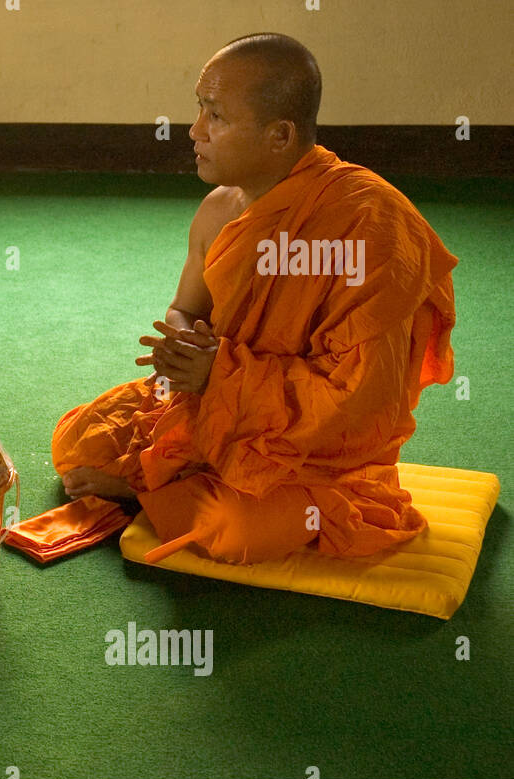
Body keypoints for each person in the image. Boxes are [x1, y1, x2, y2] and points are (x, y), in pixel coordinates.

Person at [48, 33, 457, 565]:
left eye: (215, 116)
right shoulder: (220, 210)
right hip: (211, 406)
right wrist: (183, 349)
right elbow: (186, 309)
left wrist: (221, 376)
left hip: (318, 454)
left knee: (234, 529)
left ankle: (151, 490)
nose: (194, 131)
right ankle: (184, 478)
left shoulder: (371, 226)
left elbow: (357, 402)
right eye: (199, 109)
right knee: (78, 442)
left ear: (280, 135)